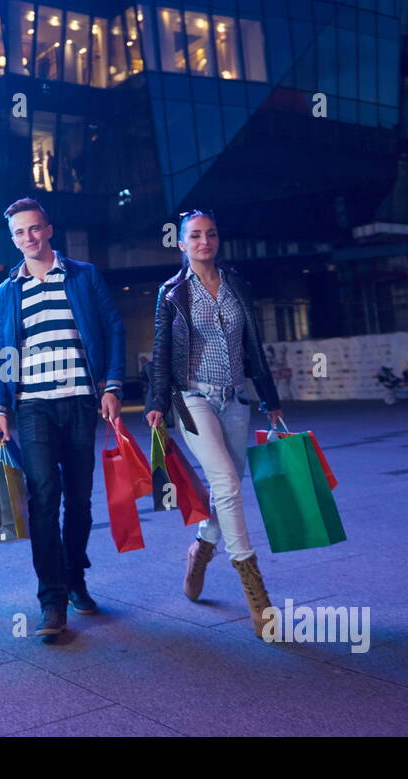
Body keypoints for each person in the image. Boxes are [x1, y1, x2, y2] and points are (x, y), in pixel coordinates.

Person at [0, 198, 125, 638]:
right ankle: (51, 598)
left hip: (81, 401)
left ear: (49, 229)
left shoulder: (83, 275)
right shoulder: (7, 290)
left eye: (34, 228)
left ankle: (75, 578)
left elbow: (113, 328)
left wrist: (111, 386)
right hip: (32, 406)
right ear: (12, 239)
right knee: (44, 497)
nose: (28, 237)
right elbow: (0, 354)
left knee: (80, 500)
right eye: (19, 233)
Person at [145, 210, 283, 637]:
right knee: (224, 480)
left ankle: (201, 550)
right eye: (195, 236)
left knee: (230, 487)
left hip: (236, 397)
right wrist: (154, 403)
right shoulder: (172, 293)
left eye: (211, 234)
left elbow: (253, 344)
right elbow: (161, 350)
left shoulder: (237, 284)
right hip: (191, 398)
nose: (204, 241)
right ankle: (256, 593)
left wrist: (270, 398)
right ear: (182, 244)